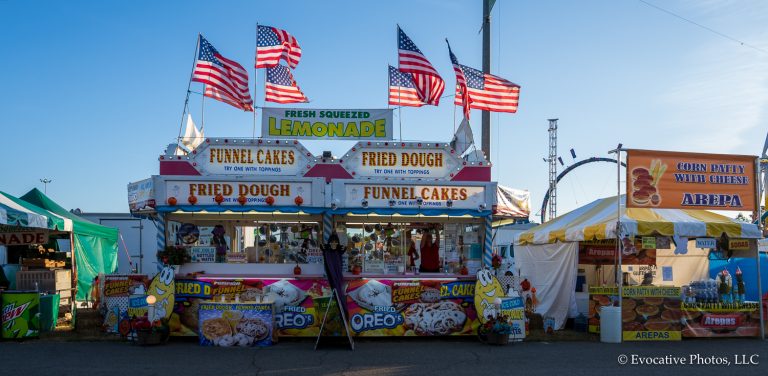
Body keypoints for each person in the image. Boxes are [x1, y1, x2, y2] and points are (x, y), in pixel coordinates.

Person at [322, 233, 348, 317]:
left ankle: (342, 312)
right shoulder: (327, 251)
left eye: (335, 242)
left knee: (340, 293)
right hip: (331, 277)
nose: (334, 243)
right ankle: (340, 311)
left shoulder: (339, 251)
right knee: (336, 293)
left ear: (337, 243)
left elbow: (343, 249)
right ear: (329, 242)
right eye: (332, 242)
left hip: (338, 277)